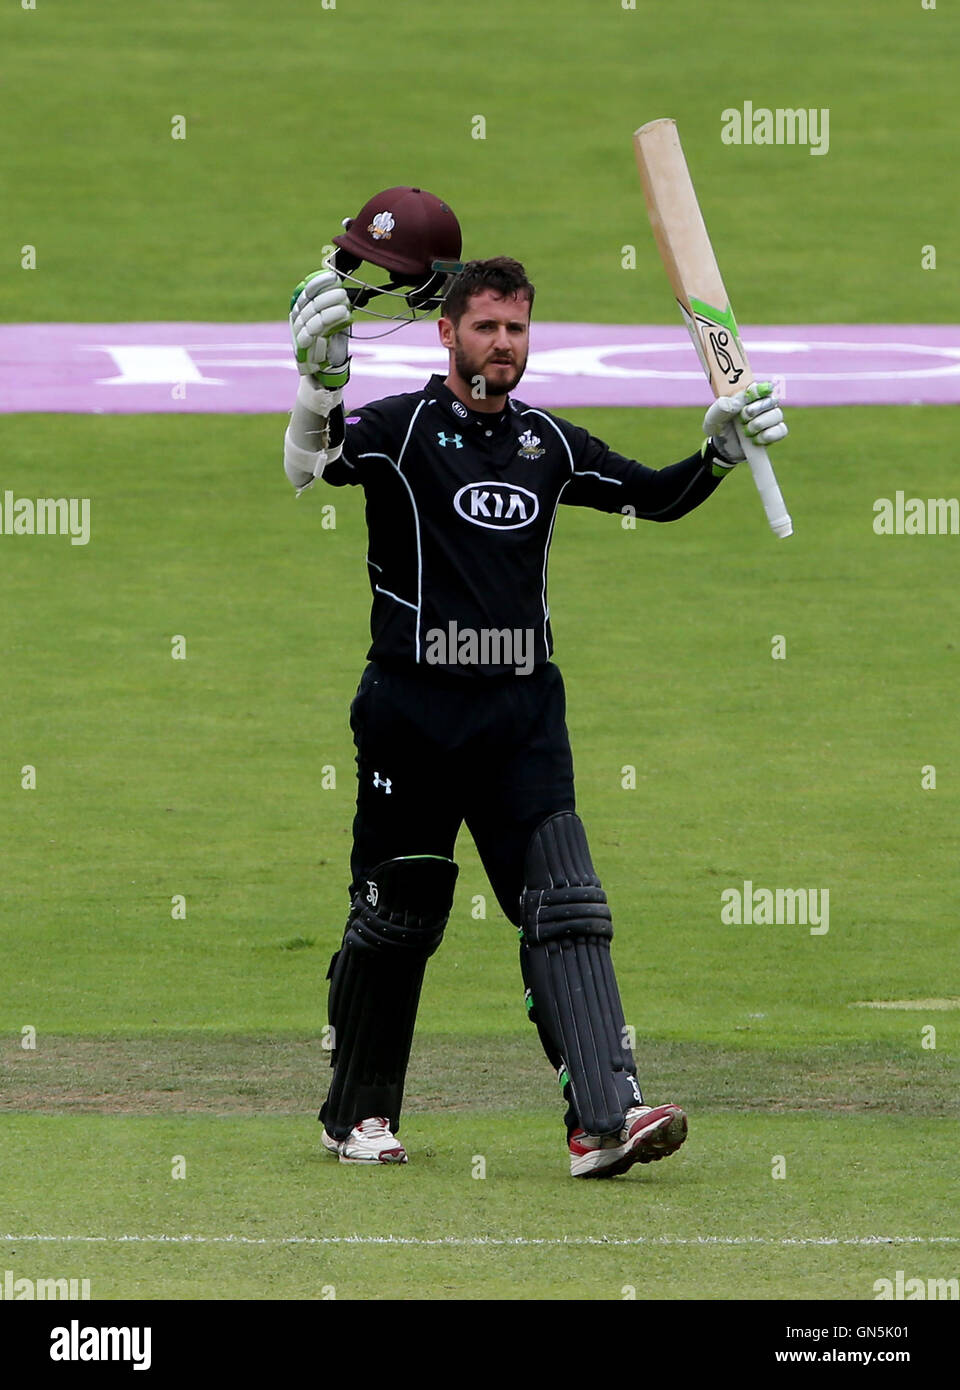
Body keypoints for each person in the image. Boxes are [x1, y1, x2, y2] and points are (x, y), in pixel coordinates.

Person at [282, 247, 787, 1178]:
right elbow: (307, 466)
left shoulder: (547, 445)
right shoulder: (396, 431)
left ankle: (605, 1117)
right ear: (448, 333)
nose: (503, 344)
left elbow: (650, 496)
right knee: (399, 920)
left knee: (568, 909)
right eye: (486, 327)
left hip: (520, 719)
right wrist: (317, 387)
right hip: (412, 715)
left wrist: (715, 452)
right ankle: (355, 1115)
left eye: (516, 328)